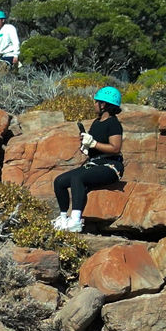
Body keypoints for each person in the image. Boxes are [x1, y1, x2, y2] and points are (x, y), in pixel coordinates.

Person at [51, 86, 125, 233]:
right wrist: (86, 146)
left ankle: (75, 220)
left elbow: (115, 148)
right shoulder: (96, 123)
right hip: (95, 163)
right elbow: (95, 147)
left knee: (78, 178)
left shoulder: (114, 123)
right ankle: (63, 218)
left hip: (111, 166)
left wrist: (94, 143)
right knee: (59, 181)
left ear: (103, 105)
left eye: (96, 102)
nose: (94, 105)